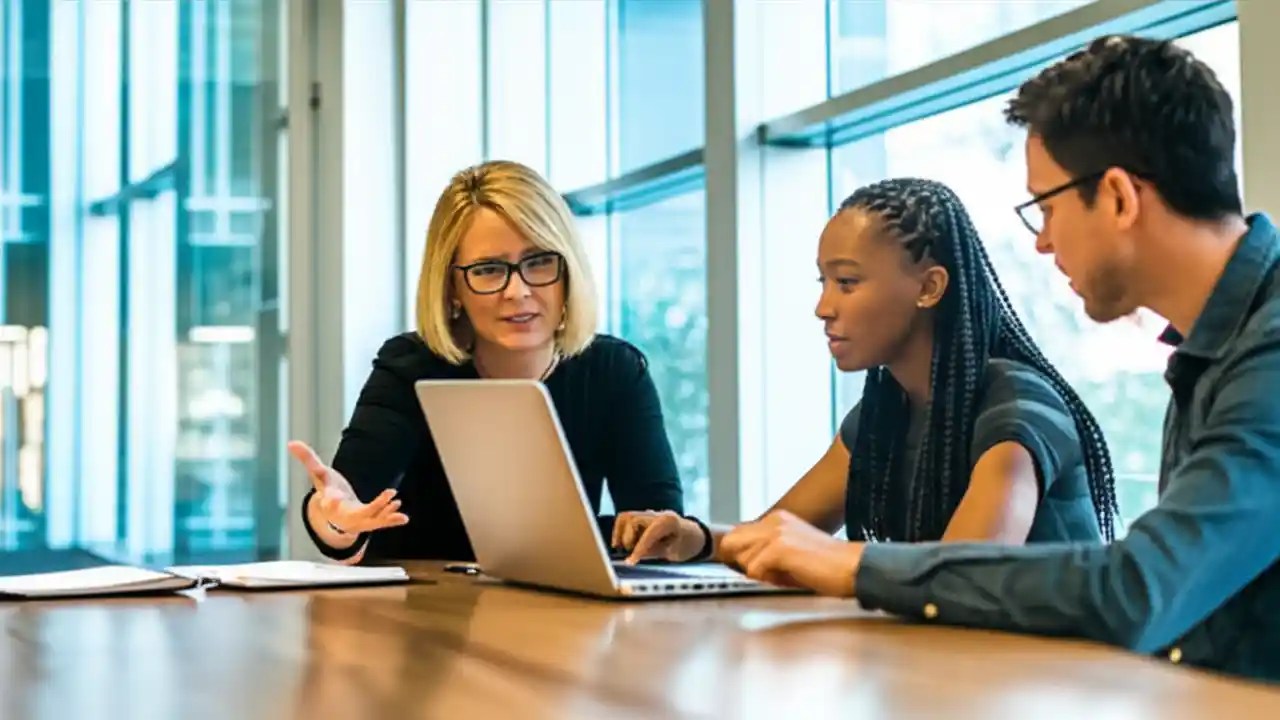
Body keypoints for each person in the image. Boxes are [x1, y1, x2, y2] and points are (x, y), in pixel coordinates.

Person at [718, 35, 1280, 682]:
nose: (1041, 243)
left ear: (1120, 197)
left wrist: (853, 566)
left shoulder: (1267, 353)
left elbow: (1139, 589)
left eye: (1046, 209)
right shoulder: (1218, 347)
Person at [614, 175, 1118, 565]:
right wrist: (693, 537)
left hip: (1051, 685)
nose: (823, 307)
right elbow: (778, 535)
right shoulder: (883, 414)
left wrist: (822, 560)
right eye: (824, 281)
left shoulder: (1015, 408)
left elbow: (962, 573)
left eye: (848, 283)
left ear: (929, 287)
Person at [288, 159, 685, 564]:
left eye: (539, 262)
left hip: (556, 612)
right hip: (419, 613)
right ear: (452, 287)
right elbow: (348, 513)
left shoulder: (614, 371)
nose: (518, 290)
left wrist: (644, 532)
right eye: (489, 269)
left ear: (568, 271)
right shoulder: (412, 366)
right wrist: (331, 518)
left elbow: (658, 531)